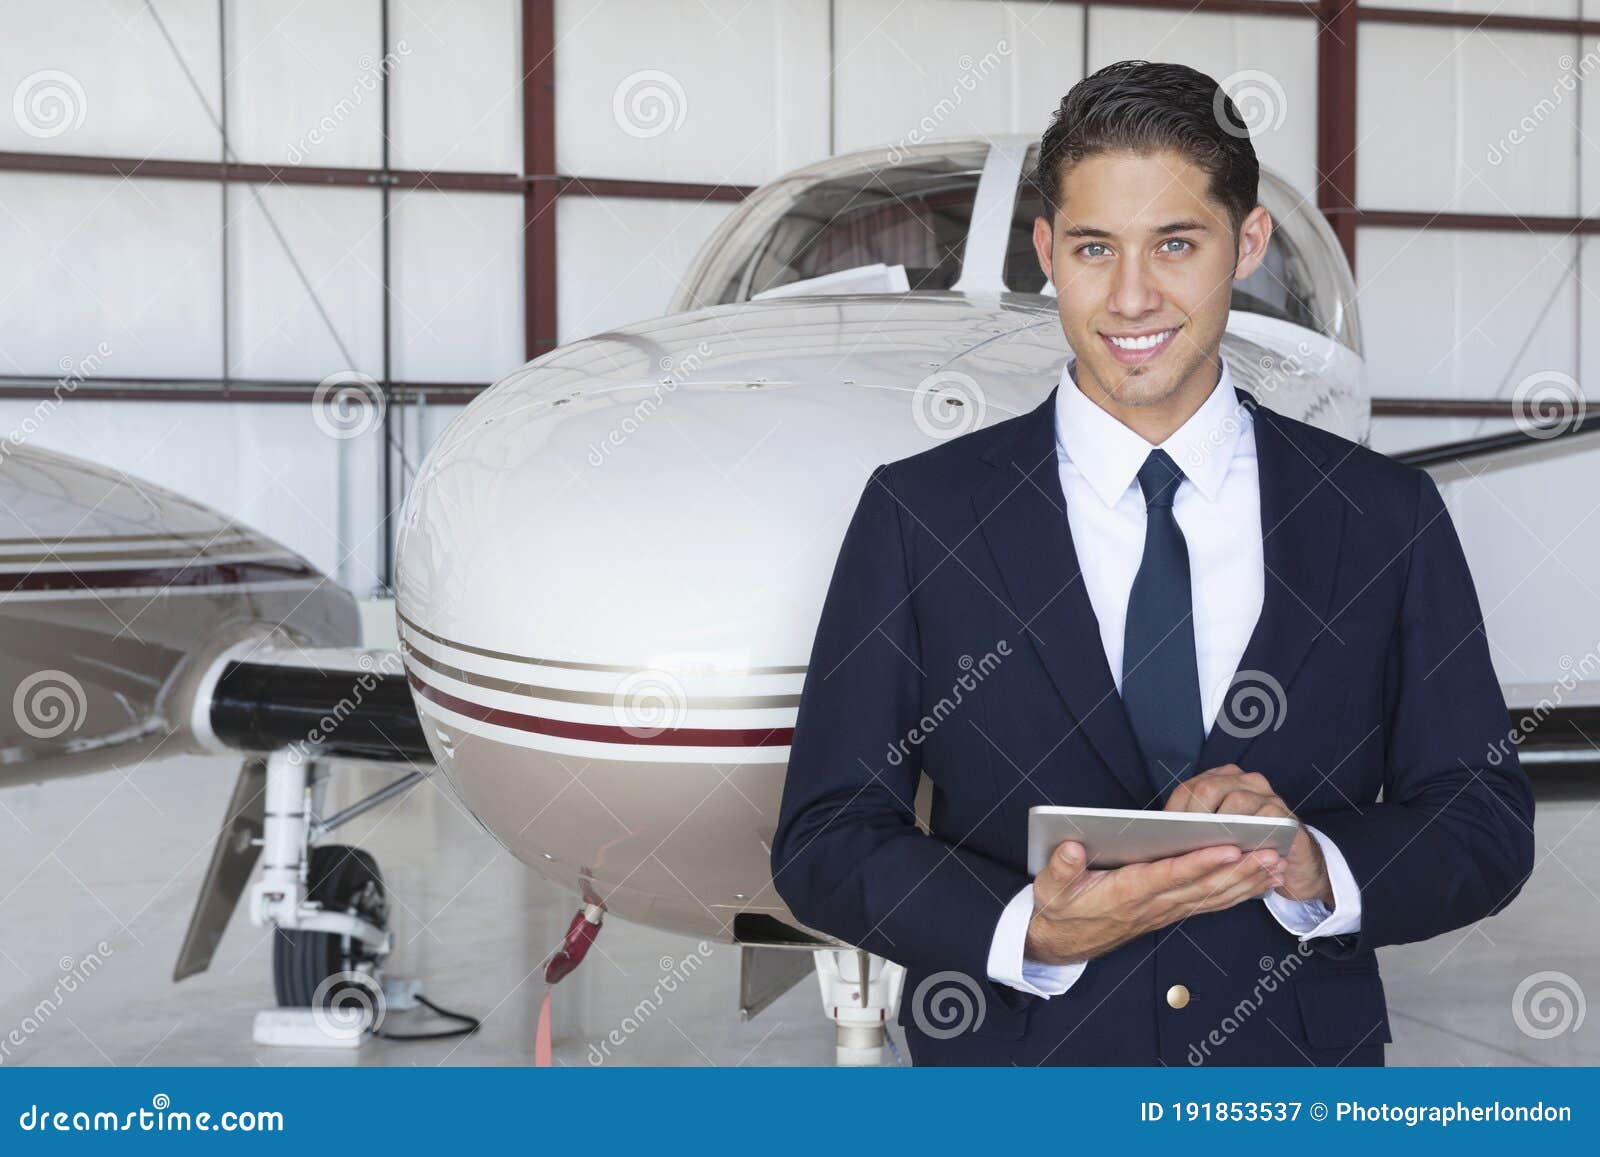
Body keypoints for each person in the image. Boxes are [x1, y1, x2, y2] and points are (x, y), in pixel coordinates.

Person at [769, 59, 1535, 1066]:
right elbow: (826, 834)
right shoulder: (920, 516)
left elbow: (1481, 821)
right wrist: (1024, 930)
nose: (1132, 297)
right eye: (1094, 248)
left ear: (1245, 244)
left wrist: (1315, 867)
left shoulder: (1383, 517)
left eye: (1176, 243)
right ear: (1047, 252)